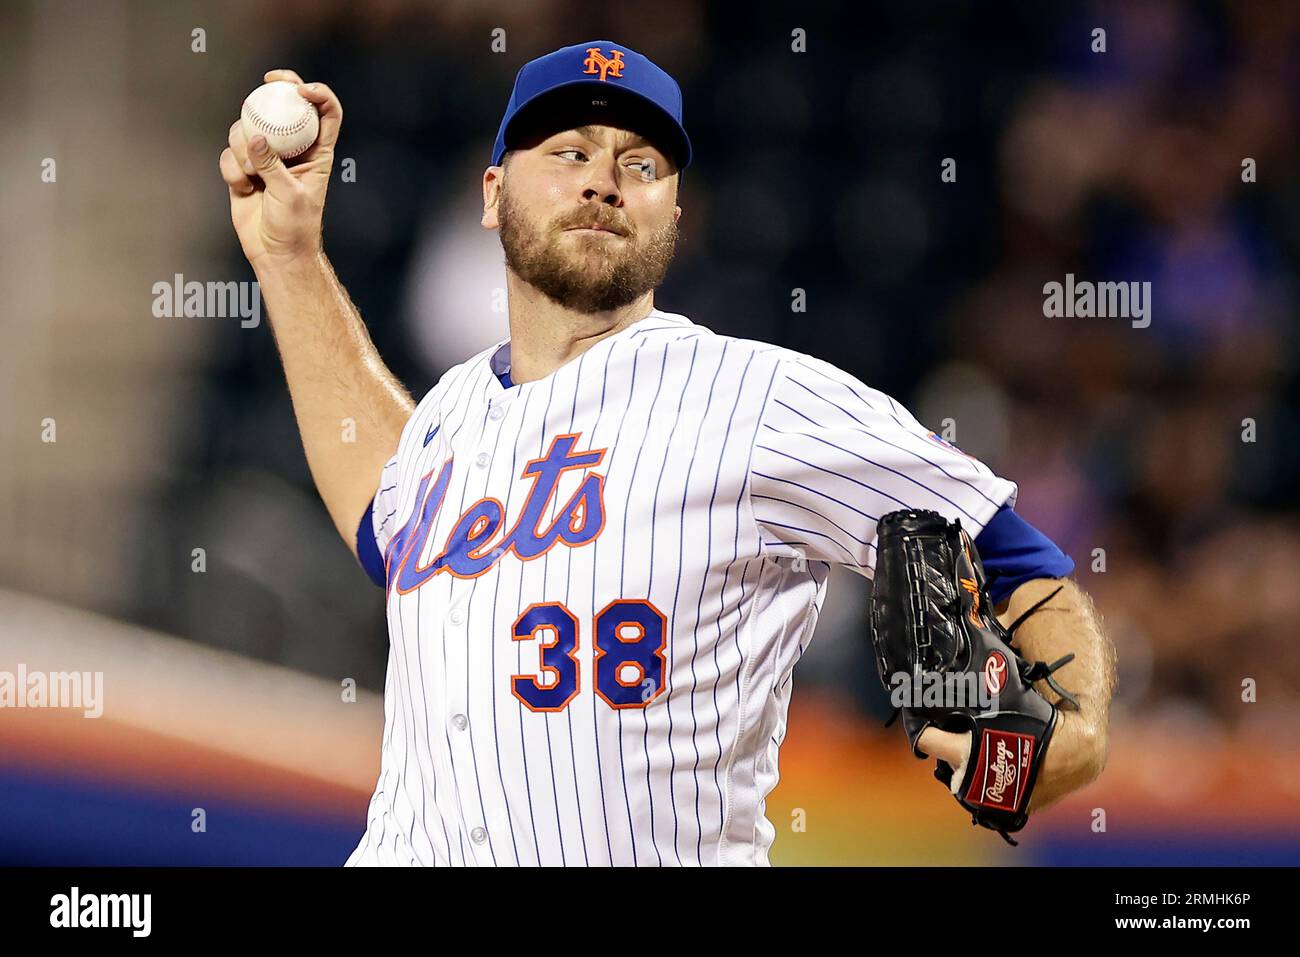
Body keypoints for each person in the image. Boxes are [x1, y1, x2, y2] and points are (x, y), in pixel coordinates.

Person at [218, 40, 1114, 866]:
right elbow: (389, 516)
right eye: (570, 151)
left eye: (639, 165)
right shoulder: (454, 408)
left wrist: (1073, 732)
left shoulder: (761, 399)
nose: (604, 180)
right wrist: (290, 256)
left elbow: (1015, 554)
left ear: (673, 215)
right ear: (492, 195)